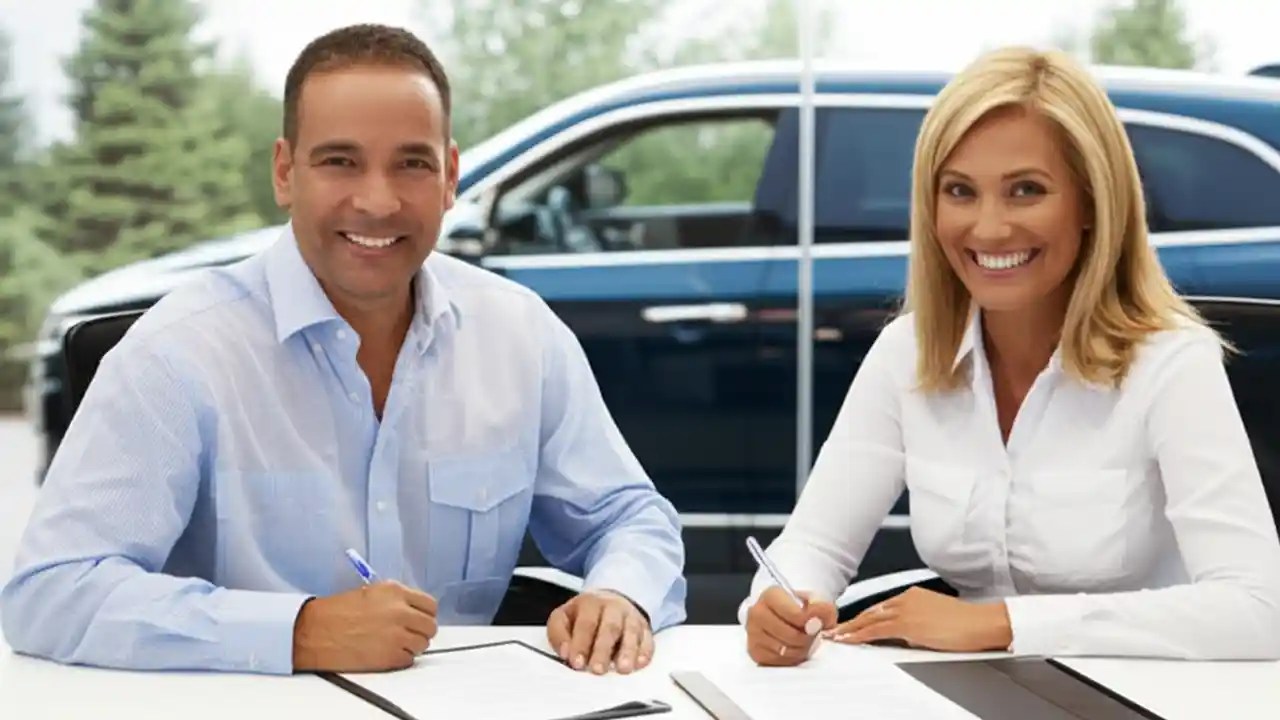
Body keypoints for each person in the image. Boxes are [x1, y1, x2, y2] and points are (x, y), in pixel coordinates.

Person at [0, 23, 686, 676]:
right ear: (284, 172)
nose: (378, 201)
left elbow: (630, 518)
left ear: (450, 177)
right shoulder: (177, 354)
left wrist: (621, 596)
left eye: (412, 164)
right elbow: (51, 592)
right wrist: (298, 631)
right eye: (339, 161)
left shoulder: (521, 336)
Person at [741, 46, 1280, 665]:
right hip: (968, 690)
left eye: (1026, 190)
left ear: (1089, 203)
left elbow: (1258, 610)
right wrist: (778, 603)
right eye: (960, 191)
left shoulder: (1170, 362)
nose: (989, 228)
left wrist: (1000, 624)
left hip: (1140, 693)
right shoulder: (907, 353)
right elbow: (814, 545)